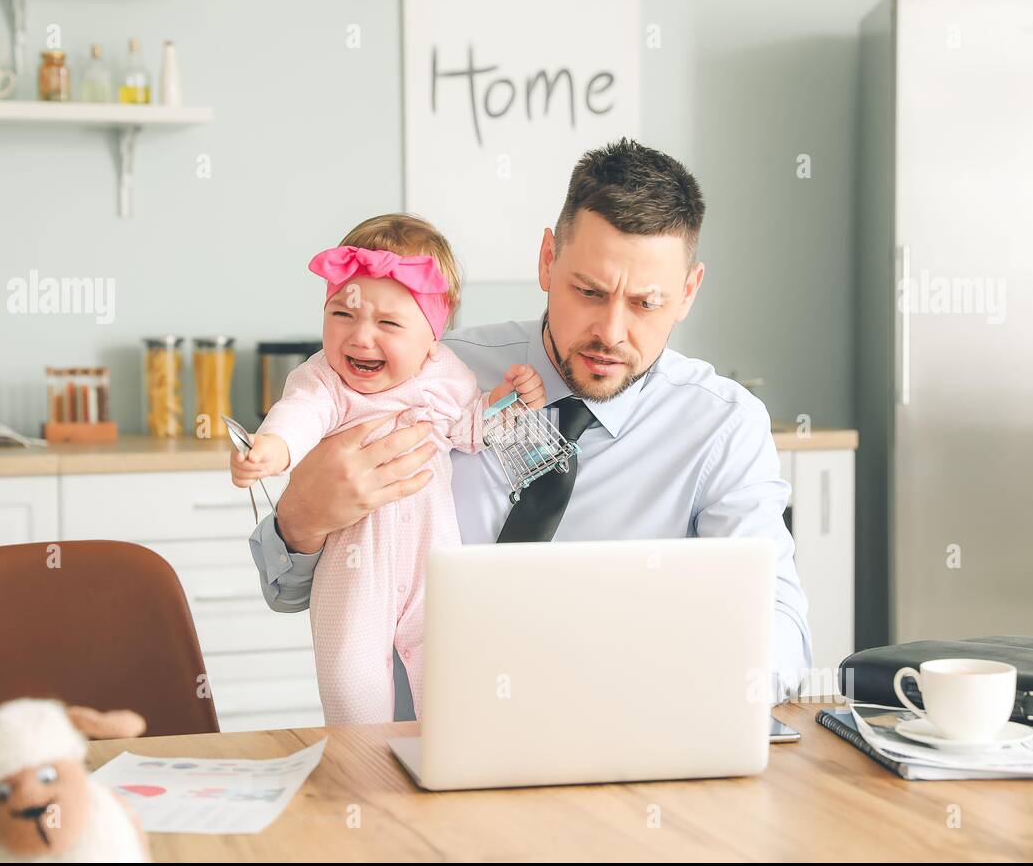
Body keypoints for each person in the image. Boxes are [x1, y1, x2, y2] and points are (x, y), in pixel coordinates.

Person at [249, 138, 812, 716]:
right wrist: (303, 516)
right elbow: (284, 592)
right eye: (589, 292)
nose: (612, 332)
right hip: (410, 758)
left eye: (646, 304)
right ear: (547, 260)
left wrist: (692, 696)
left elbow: (780, 623)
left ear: (687, 292)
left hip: (616, 757)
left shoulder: (721, 427)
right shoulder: (426, 376)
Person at [231, 214, 542, 724]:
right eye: (342, 315)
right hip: (353, 574)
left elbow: (470, 430)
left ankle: (449, 767)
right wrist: (271, 448)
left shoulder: (446, 376)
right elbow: (299, 418)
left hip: (433, 565)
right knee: (352, 689)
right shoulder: (323, 380)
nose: (360, 337)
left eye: (389, 324)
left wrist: (506, 403)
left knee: (450, 690)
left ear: (431, 340)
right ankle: (359, 775)